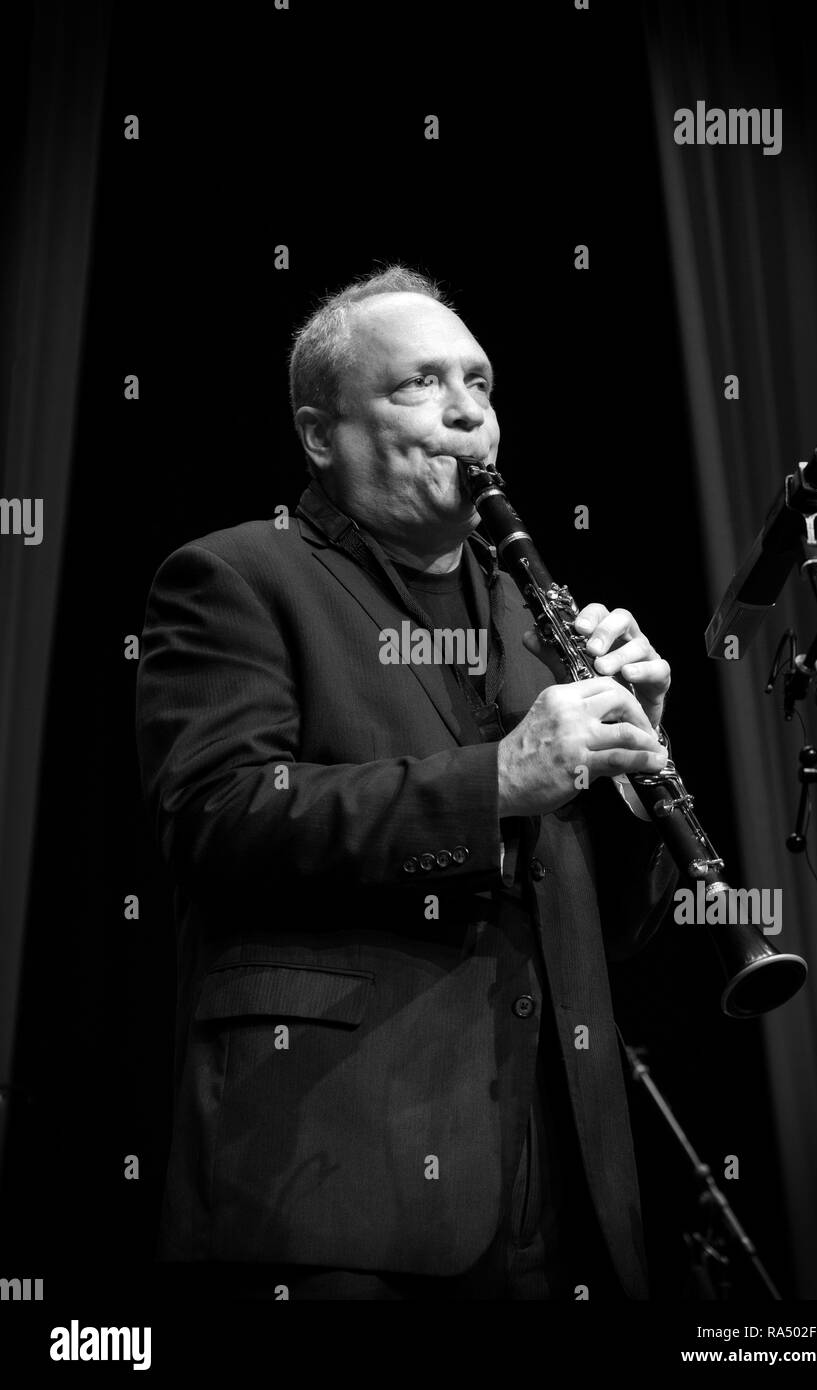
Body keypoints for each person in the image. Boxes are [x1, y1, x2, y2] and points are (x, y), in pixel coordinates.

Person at [136, 265, 678, 1301]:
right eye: (420, 383)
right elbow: (216, 819)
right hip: (331, 1177)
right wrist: (497, 780)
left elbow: (611, 931)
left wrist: (630, 776)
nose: (468, 409)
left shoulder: (535, 622)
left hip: (557, 1184)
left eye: (478, 380)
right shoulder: (237, 577)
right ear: (317, 432)